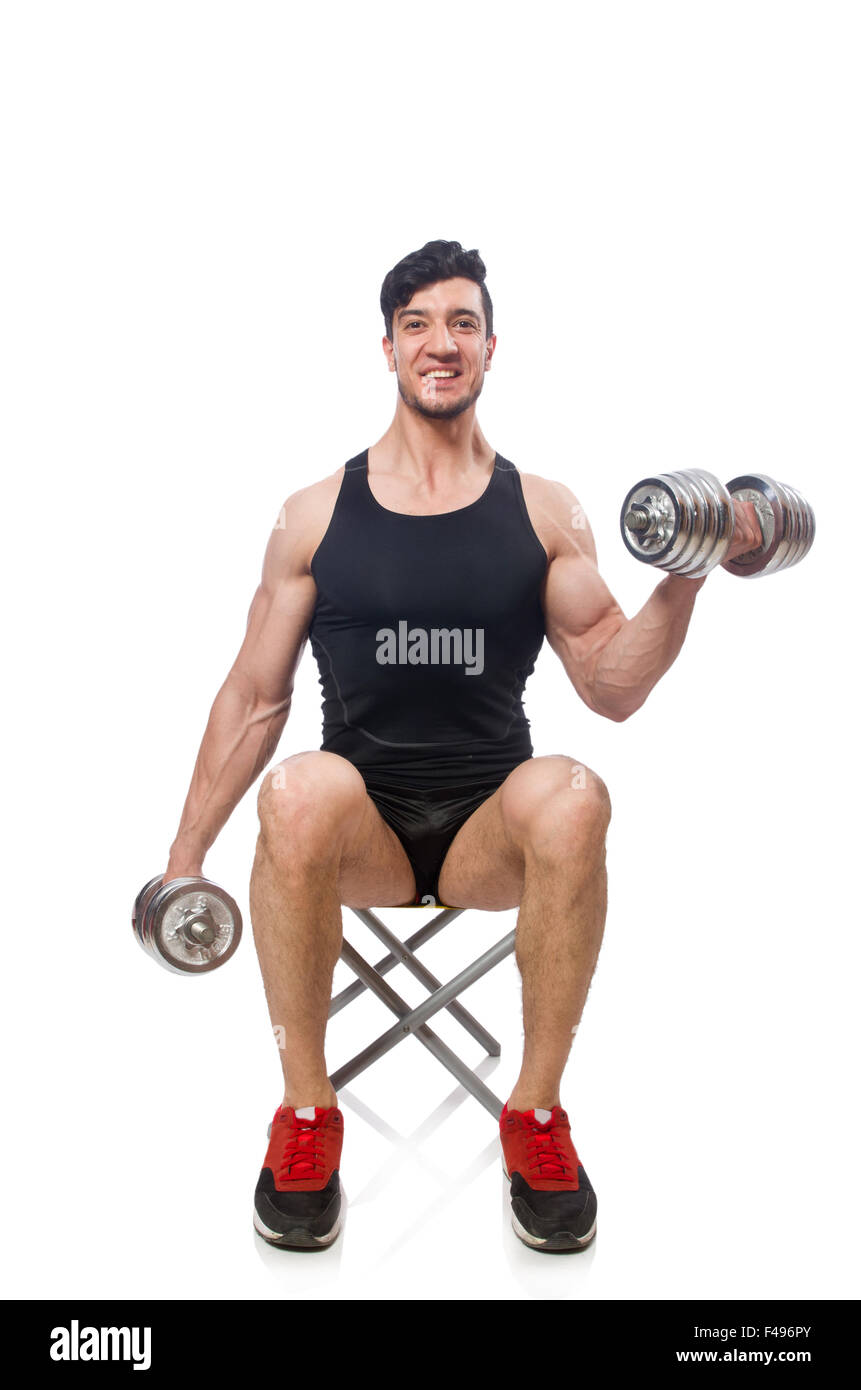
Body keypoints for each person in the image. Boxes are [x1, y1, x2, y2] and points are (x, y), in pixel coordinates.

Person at [160, 240, 761, 1253]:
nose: (442, 343)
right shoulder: (316, 515)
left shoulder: (545, 510)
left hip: (492, 837)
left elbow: (612, 686)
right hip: (360, 837)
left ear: (492, 347)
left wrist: (689, 572)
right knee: (298, 787)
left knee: (577, 786)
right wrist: (184, 860)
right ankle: (306, 1116)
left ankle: (535, 1116)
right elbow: (255, 698)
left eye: (463, 323)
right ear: (388, 347)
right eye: (418, 325)